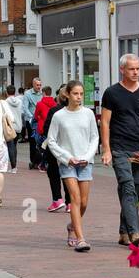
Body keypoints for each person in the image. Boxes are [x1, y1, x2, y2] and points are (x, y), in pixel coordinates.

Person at [101, 53, 139, 246]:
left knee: (136, 189)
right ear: (122, 70)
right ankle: (135, 233)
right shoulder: (111, 93)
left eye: (138, 68)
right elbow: (105, 122)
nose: (136, 72)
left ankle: (123, 232)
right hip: (120, 148)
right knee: (127, 186)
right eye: (131, 69)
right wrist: (107, 149)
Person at [48, 80, 100, 252]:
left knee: (84, 202)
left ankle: (72, 226)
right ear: (68, 95)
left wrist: (87, 156)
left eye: (81, 94)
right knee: (75, 199)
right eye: (76, 94)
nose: (79, 97)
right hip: (68, 163)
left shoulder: (88, 114)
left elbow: (94, 137)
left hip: (85, 162)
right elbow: (52, 141)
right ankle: (81, 238)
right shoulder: (59, 116)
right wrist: (66, 157)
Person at [40, 96, 70, 214]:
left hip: (55, 147)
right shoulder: (79, 112)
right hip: (70, 148)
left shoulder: (55, 111)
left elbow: (46, 129)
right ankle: (70, 202)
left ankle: (57, 199)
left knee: (53, 172)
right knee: (69, 174)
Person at [33, 85, 58, 173]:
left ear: (43, 93)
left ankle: (43, 163)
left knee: (41, 147)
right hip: (52, 128)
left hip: (41, 128)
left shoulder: (39, 104)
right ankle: (46, 163)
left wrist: (40, 117)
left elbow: (35, 116)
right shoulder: (55, 104)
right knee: (49, 146)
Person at [22, 78, 44, 170]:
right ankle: (33, 161)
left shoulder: (42, 94)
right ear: (33, 85)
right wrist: (32, 117)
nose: (39, 87)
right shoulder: (28, 94)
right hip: (31, 121)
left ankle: (38, 160)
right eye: (37, 85)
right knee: (33, 142)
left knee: (40, 141)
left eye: (40, 85)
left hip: (41, 121)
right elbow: (25, 108)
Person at [4, 85, 24, 174]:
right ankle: (14, 165)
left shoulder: (5, 102)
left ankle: (13, 167)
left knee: (10, 146)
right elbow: (22, 112)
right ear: (14, 92)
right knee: (14, 146)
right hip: (18, 126)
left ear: (7, 92)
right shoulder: (19, 101)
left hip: (9, 126)